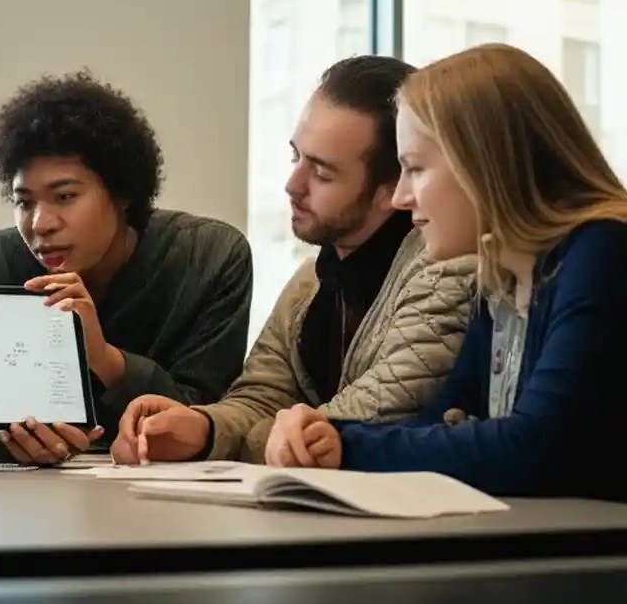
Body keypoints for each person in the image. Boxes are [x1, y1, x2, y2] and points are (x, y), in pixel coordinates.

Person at [263, 44, 627, 502]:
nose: (399, 197)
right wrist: (326, 434)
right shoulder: (505, 277)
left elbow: (535, 446)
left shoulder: (603, 251)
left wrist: (346, 444)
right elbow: (436, 420)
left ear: (486, 164)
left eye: (414, 169)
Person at [112, 56, 476, 466]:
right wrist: (200, 426)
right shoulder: (313, 279)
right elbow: (261, 395)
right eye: (295, 157)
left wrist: (243, 438)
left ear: (390, 188)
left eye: (321, 174)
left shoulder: (444, 265)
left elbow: (363, 422)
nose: (292, 185)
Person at [0, 71, 253, 464]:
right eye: (24, 201)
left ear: (123, 192)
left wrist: (104, 357)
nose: (40, 223)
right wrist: (10, 438)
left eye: (65, 196)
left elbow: (205, 417)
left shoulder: (209, 258)